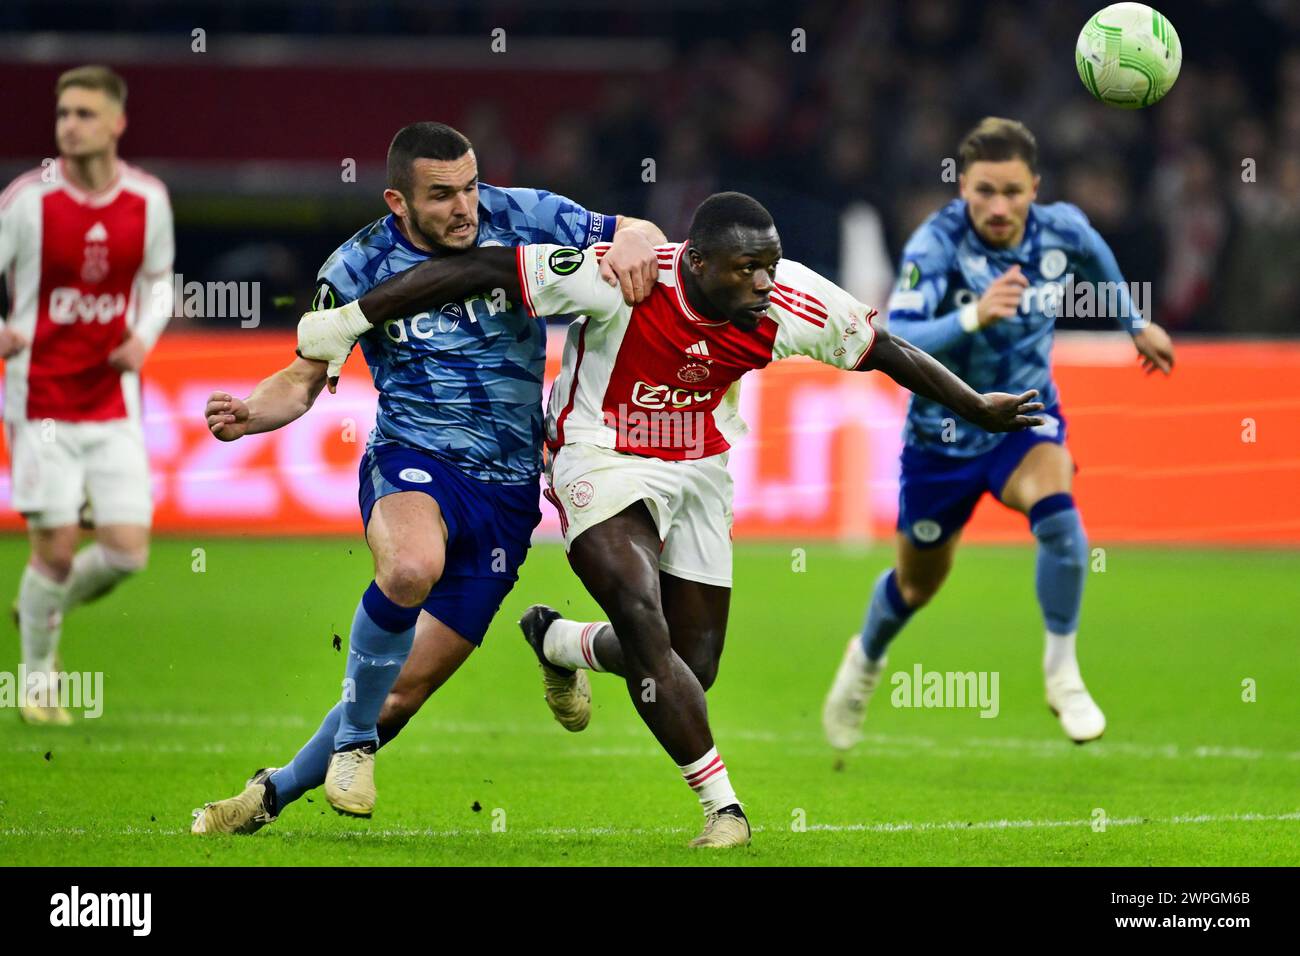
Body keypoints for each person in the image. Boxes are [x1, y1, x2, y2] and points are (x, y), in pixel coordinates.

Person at [294, 190, 1043, 847]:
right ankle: (724, 807)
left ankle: (559, 642)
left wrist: (974, 405)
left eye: (769, 265)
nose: (761, 282)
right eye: (744, 269)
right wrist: (351, 319)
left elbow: (886, 350)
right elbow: (486, 268)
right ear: (694, 265)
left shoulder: (787, 303)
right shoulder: (619, 277)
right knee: (640, 610)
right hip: (599, 456)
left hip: (700, 470)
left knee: (694, 665)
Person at [190, 122, 663, 834]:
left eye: (470, 186)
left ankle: (269, 795)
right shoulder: (356, 267)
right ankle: (353, 745)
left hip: (506, 495)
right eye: (441, 195)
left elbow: (636, 230)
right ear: (398, 202)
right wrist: (251, 412)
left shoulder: (521, 215)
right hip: (415, 460)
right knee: (410, 568)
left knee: (399, 696)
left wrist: (634, 234)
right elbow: (306, 374)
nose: (465, 207)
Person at [822, 118, 1175, 751]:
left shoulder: (1061, 229)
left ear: (1034, 188)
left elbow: (1096, 256)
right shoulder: (935, 244)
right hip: (942, 436)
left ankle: (1062, 672)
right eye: (985, 190)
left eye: (1013, 191)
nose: (999, 206)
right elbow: (895, 339)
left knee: (1063, 526)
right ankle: (865, 659)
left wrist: (1134, 322)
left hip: (1022, 419)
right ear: (963, 188)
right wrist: (973, 314)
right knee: (915, 585)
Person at [0, 65, 173, 724]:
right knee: (57, 549)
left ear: (116, 123)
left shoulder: (147, 200)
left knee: (128, 551)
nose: (70, 124)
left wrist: (145, 335)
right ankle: (38, 683)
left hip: (113, 401)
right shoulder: (26, 201)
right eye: (63, 113)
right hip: (40, 402)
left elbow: (159, 281)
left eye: (84, 114)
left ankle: (41, 607)